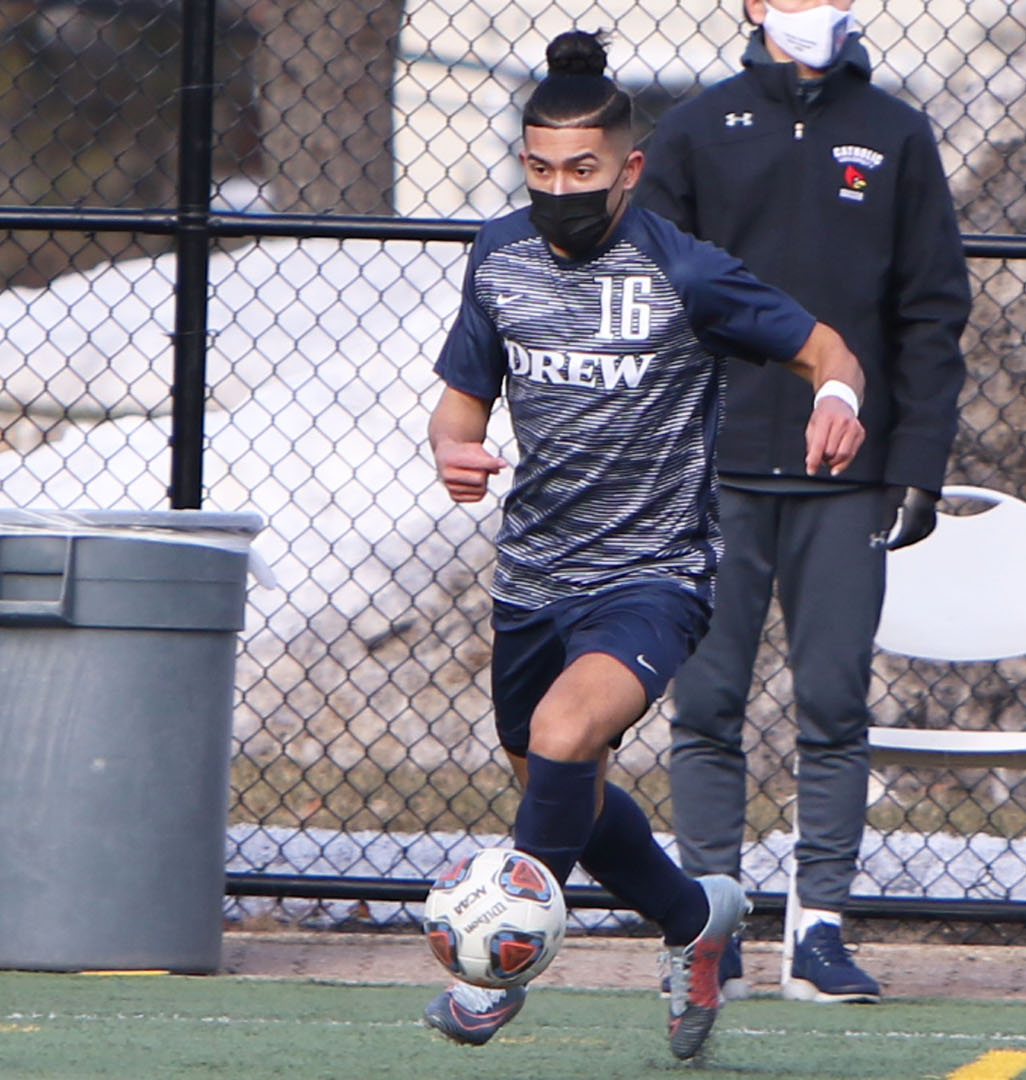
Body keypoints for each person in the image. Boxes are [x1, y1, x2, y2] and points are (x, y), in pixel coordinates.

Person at [422, 29, 869, 1058]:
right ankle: (693, 918)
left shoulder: (684, 269)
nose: (558, 188)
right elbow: (458, 411)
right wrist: (455, 452)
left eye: (582, 170)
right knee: (548, 765)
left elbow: (823, 347)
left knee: (569, 735)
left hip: (654, 573)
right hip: (534, 574)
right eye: (540, 169)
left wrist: (836, 399)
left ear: (628, 169)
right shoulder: (499, 258)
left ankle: (503, 969)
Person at [637, 0, 971, 1004]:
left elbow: (931, 309)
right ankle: (713, 923)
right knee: (705, 704)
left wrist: (916, 461)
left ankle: (819, 930)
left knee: (833, 704)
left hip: (846, 479)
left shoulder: (898, 133)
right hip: (714, 471)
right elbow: (654, 296)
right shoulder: (695, 129)